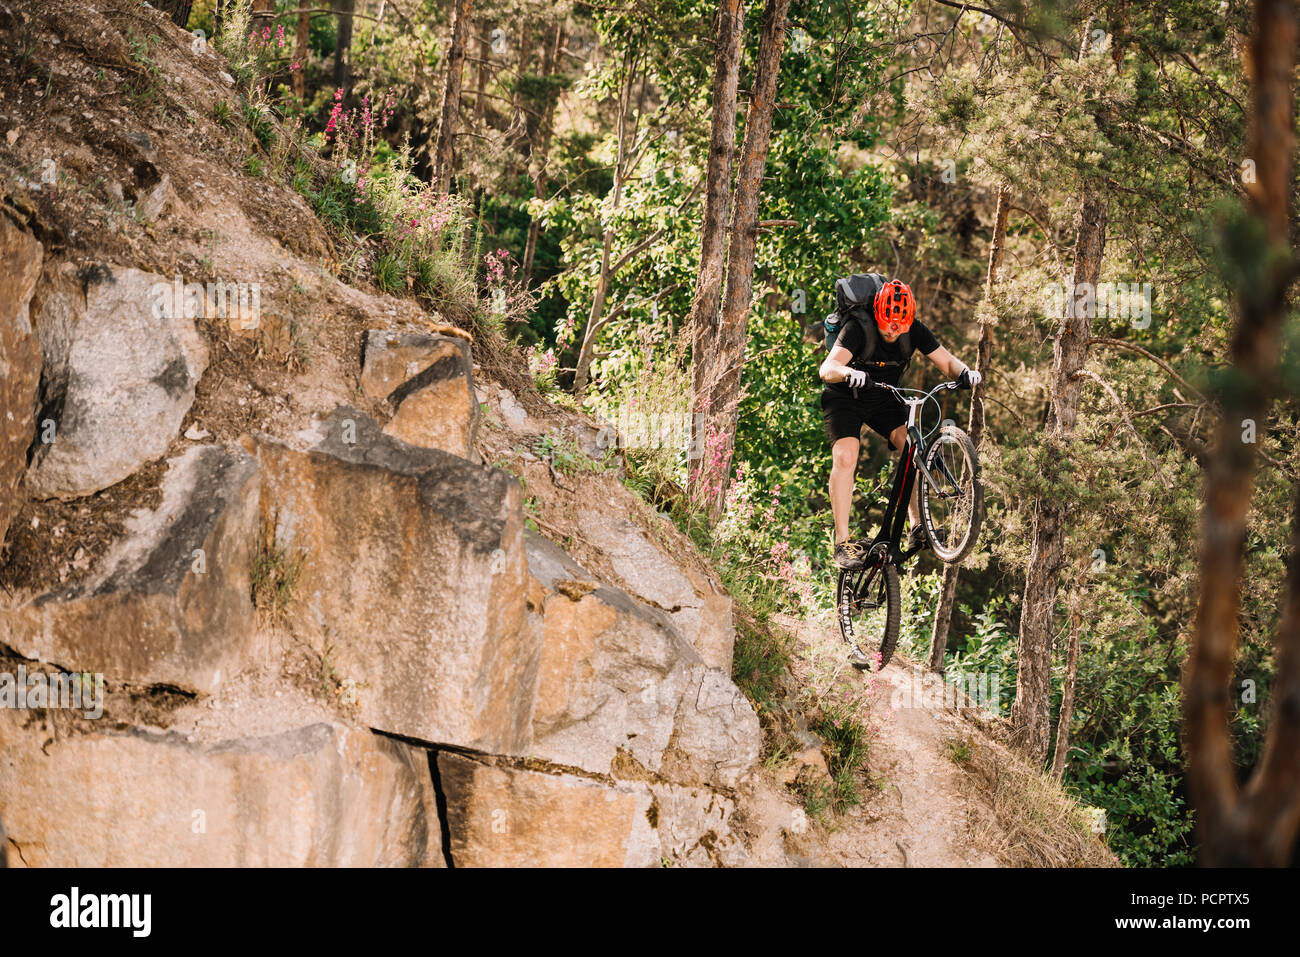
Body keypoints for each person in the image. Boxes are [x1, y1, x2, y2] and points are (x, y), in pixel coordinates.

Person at [818, 279, 981, 570]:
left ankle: (918, 526)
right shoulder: (858, 329)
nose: (894, 330)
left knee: (913, 445)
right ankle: (842, 543)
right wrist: (846, 372)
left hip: (883, 399)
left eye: (900, 324)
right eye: (888, 323)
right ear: (878, 314)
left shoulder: (913, 330)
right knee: (846, 457)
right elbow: (827, 368)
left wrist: (966, 373)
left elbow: (947, 363)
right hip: (845, 397)